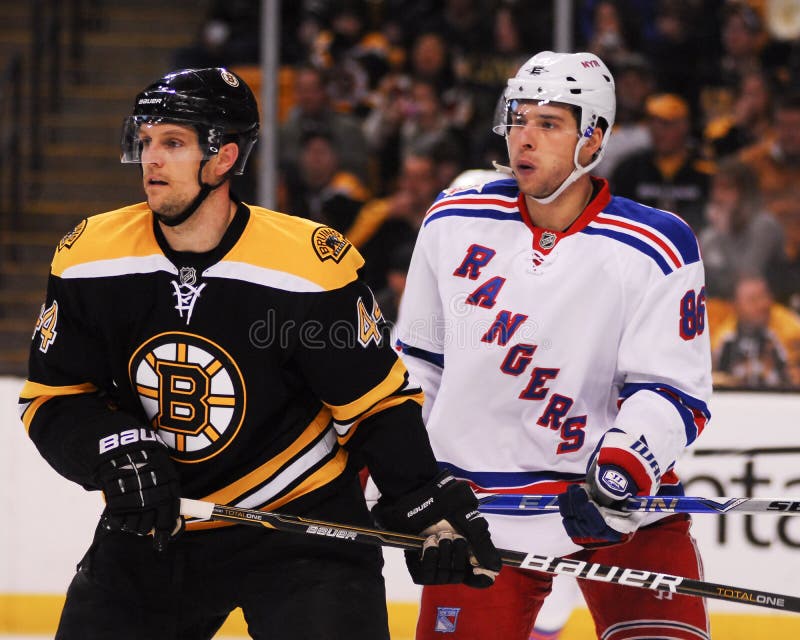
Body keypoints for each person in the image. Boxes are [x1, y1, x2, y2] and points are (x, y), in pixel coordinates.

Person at [18, 67, 500, 640]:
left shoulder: (305, 266)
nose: (151, 159)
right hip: (156, 525)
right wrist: (111, 452)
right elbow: (53, 398)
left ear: (223, 158)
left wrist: (422, 502)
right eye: (146, 142)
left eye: (173, 143)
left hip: (303, 528)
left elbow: (373, 405)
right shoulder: (89, 258)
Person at [395, 51, 712, 639]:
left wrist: (619, 474)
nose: (525, 138)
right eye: (518, 119)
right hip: (480, 510)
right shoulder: (453, 220)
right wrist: (401, 477)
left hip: (617, 511)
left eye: (549, 123)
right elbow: (419, 364)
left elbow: (673, 391)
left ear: (593, 140)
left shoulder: (656, 244)